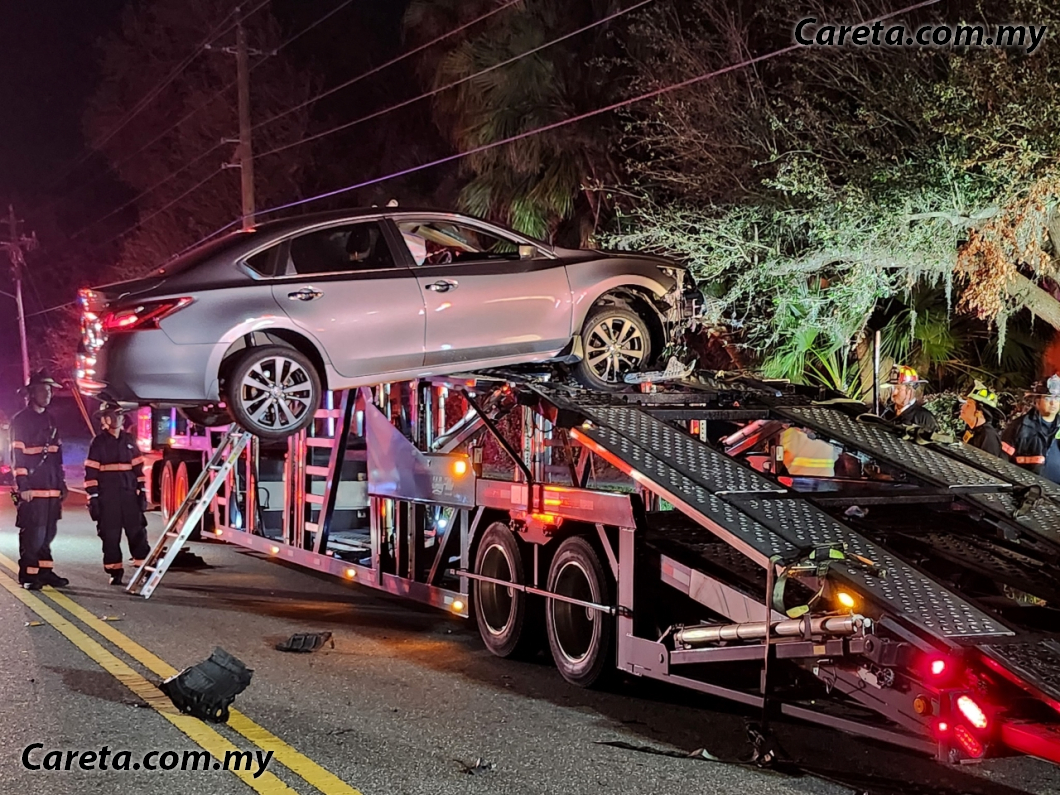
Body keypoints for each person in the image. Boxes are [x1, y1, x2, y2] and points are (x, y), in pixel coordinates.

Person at [11, 371, 69, 590]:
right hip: (32, 489)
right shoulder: (20, 420)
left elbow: (56, 455)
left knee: (48, 534)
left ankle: (45, 572)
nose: (48, 394)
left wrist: (61, 482)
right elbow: (18, 456)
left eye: (50, 390)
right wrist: (23, 486)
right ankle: (28, 575)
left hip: (51, 487)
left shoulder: (51, 419)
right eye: (43, 390)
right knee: (32, 534)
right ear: (31, 393)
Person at [84, 402, 151, 586]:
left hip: (129, 495)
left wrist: (142, 493)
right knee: (110, 536)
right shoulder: (98, 442)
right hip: (108, 498)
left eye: (120, 415)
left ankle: (143, 569)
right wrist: (94, 497)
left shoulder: (129, 440)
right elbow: (91, 473)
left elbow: (139, 468)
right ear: (105, 419)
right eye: (113, 415)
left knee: (137, 533)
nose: (118, 419)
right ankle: (115, 571)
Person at [1002, 375, 1060, 482]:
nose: (1053, 402)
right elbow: (1002, 461)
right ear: (1037, 401)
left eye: (1057, 397)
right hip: (1029, 490)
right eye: (1048, 397)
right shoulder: (1019, 427)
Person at [881, 365, 938, 432]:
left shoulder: (924, 418)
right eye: (892, 389)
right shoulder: (885, 412)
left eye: (898, 389)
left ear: (909, 391)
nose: (893, 393)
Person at [959, 381, 1004, 456]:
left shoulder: (988, 436)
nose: (963, 407)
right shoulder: (971, 429)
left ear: (979, 412)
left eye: (968, 405)